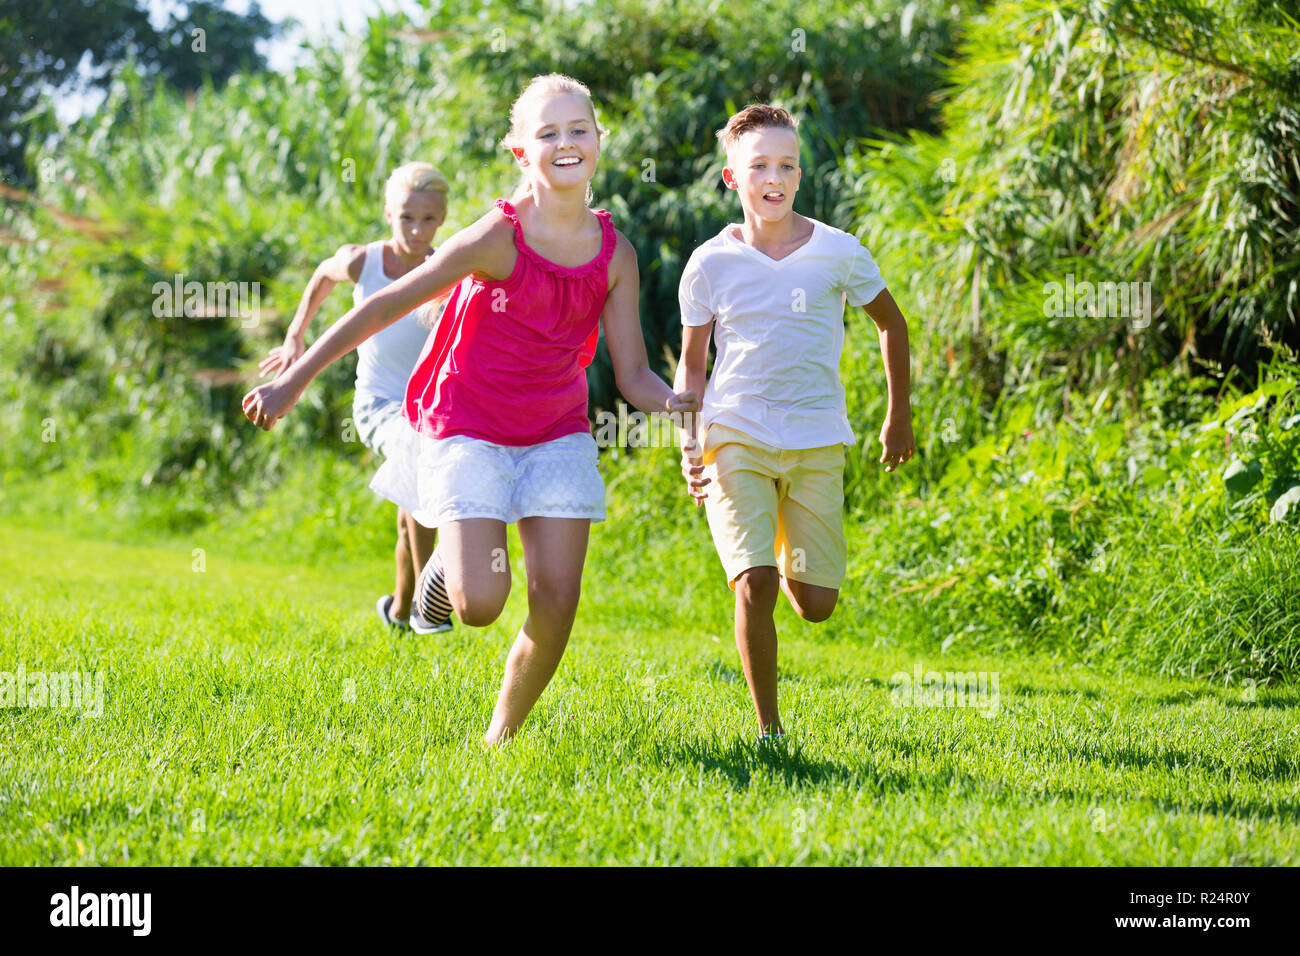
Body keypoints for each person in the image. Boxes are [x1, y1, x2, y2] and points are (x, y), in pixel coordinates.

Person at [243, 74, 698, 746]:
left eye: (579, 130)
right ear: (522, 153)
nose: (566, 142)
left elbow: (632, 373)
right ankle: (447, 568)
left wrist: (678, 403)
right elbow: (383, 305)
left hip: (556, 431)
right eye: (548, 133)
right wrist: (297, 378)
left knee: (556, 601)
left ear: (599, 141)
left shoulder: (616, 253)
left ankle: (500, 737)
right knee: (480, 604)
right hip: (470, 427)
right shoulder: (497, 238)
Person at [674, 104, 916, 744]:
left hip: (815, 440)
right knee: (753, 583)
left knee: (815, 604)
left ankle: (782, 552)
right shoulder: (708, 264)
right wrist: (688, 440)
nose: (772, 178)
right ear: (732, 178)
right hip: (735, 435)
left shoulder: (838, 252)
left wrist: (899, 415)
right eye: (758, 166)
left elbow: (892, 323)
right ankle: (770, 729)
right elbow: (692, 365)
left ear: (800, 176)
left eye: (785, 165)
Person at [257, 162, 451, 634]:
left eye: (428, 219)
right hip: (378, 405)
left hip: (429, 410)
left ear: (442, 218)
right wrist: (294, 336)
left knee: (412, 505)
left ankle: (401, 611)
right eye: (406, 217)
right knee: (415, 463)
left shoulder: (446, 267)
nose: (416, 229)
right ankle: (431, 607)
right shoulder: (363, 261)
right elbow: (322, 277)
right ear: (389, 213)